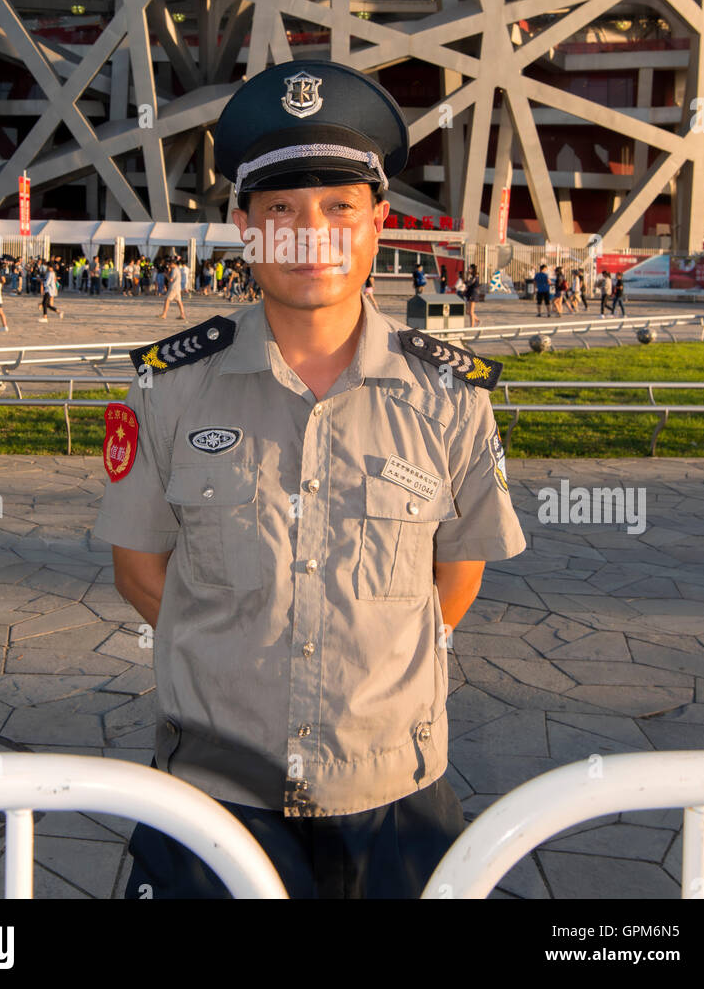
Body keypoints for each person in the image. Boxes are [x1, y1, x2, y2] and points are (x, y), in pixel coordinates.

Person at [93, 59, 525, 901]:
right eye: (280, 210)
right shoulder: (169, 386)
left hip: (390, 800)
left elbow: (454, 577)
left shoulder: (447, 396)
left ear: (377, 224)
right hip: (213, 800)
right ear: (245, 227)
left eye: (337, 208)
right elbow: (140, 573)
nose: (308, 234)